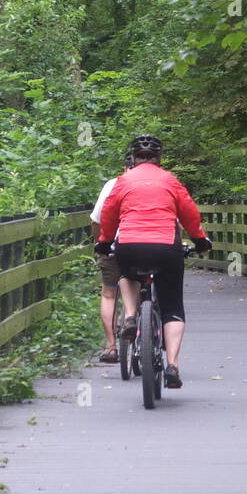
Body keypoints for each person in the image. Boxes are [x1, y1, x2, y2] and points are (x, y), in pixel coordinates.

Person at [94, 135, 211, 388]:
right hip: (165, 247)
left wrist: (104, 242)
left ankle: (131, 317)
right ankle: (172, 366)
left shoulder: (123, 182)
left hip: (130, 246)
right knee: (172, 308)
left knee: (126, 273)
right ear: (159, 158)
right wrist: (200, 240)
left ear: (133, 158)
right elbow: (190, 214)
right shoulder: (170, 180)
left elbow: (109, 215)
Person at [90, 154, 133, 363]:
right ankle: (137, 323)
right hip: (149, 246)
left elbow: (97, 219)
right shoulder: (159, 182)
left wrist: (100, 244)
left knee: (109, 294)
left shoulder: (113, 185)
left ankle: (111, 346)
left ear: (124, 167)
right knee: (140, 287)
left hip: (114, 246)